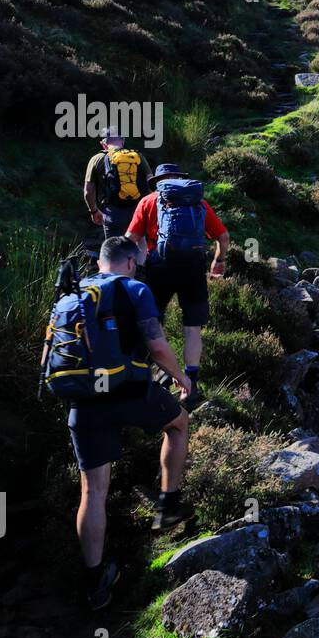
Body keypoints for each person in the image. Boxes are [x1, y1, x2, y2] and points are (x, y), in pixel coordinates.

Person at [60, 237, 194, 610]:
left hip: (83, 400)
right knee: (179, 423)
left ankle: (95, 583)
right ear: (131, 263)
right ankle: (168, 506)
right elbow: (157, 346)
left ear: (100, 261)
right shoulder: (136, 289)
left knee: (93, 492)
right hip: (129, 391)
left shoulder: (72, 294)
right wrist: (181, 377)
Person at [125, 164, 230, 406]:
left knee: (152, 321)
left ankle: (154, 373)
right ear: (181, 179)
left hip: (158, 266)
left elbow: (131, 239)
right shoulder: (198, 204)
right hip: (193, 266)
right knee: (192, 326)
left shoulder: (148, 201)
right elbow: (223, 236)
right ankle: (190, 383)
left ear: (159, 181)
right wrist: (218, 261)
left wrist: (125, 268)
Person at [84, 128, 153, 241]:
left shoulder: (97, 159)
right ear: (123, 141)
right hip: (138, 211)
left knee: (115, 250)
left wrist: (94, 211)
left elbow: (88, 192)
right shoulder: (137, 156)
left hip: (112, 213)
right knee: (139, 248)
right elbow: (151, 183)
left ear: (103, 144)